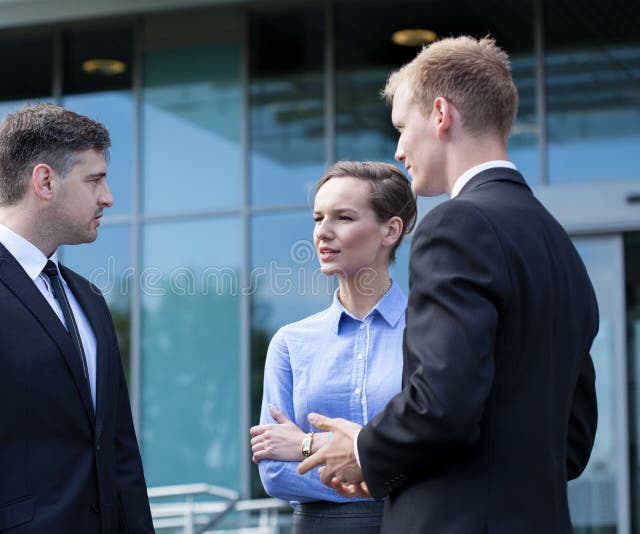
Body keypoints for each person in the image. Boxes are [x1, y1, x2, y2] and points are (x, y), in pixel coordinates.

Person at [297, 36, 599, 533]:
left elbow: (443, 404)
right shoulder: (559, 246)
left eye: (401, 127)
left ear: (440, 115)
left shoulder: (457, 225)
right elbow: (573, 442)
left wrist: (361, 449)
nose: (398, 149)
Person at [0, 103, 154, 533]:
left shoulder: (88, 298)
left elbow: (119, 453)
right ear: (45, 181)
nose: (107, 197)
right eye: (95, 180)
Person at [250, 161, 416, 533]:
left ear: (390, 230)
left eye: (343, 217)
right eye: (318, 218)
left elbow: (441, 449)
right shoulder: (290, 344)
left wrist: (306, 445)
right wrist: (385, 475)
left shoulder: (428, 333)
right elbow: (275, 470)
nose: (322, 233)